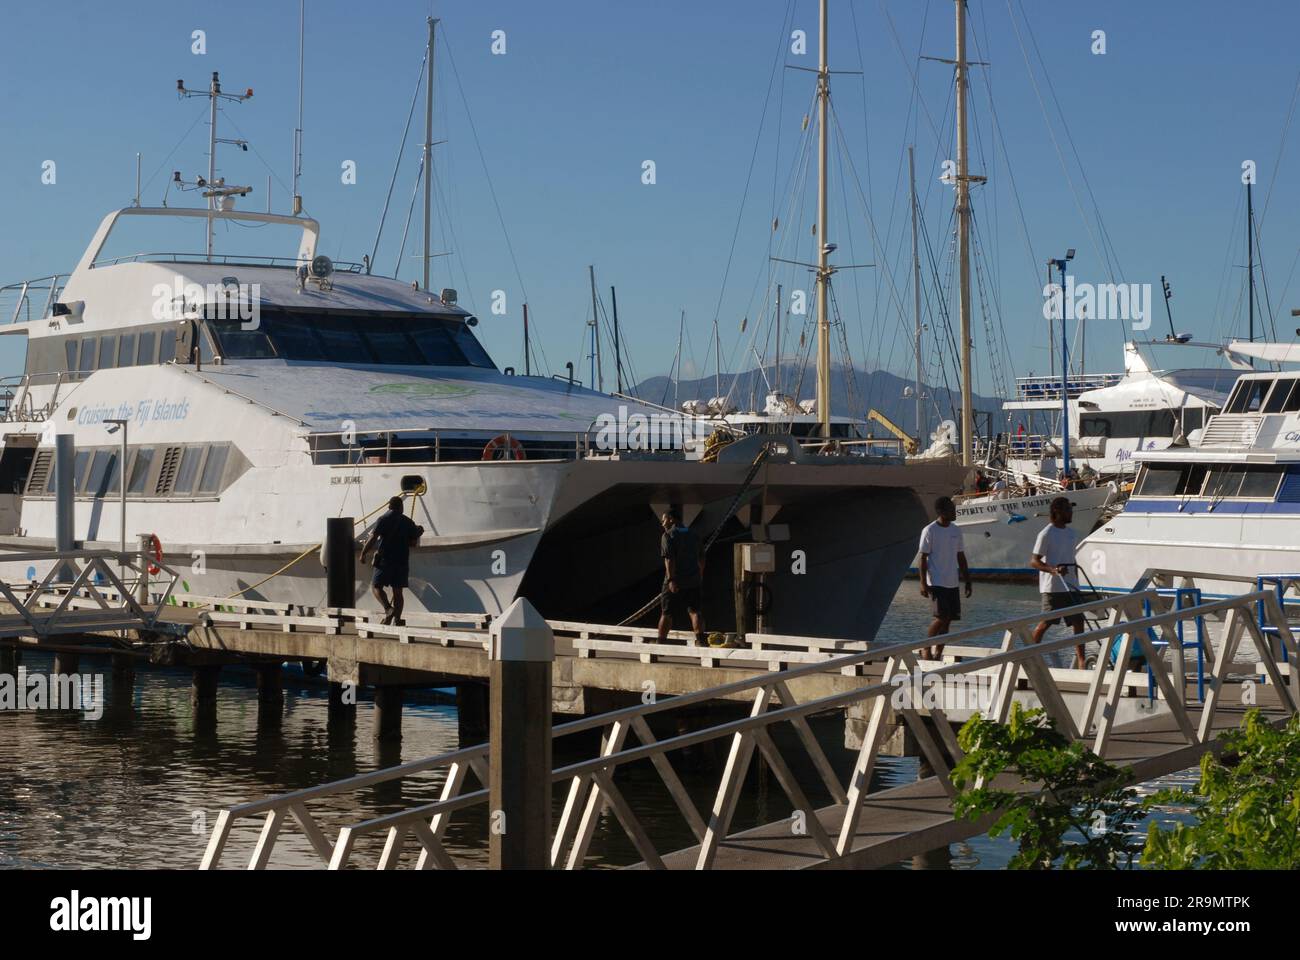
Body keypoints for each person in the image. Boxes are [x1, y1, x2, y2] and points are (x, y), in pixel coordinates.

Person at [1028, 496, 1088, 668]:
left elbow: (1071, 559)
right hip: (1052, 587)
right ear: (1058, 512)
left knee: (1078, 621)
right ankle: (1028, 655)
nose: (1071, 513)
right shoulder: (1046, 533)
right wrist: (1053, 570)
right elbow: (1034, 561)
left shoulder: (1071, 533)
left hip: (1071, 586)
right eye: (1068, 509)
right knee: (1046, 623)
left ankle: (1082, 661)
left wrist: (1078, 583)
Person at [918, 496, 971, 660]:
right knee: (942, 617)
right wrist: (923, 583)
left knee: (948, 621)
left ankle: (938, 652)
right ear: (941, 511)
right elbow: (923, 558)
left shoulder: (956, 530)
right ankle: (925, 647)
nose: (955, 512)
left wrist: (967, 580)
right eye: (951, 509)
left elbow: (960, 556)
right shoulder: (930, 530)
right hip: (936, 581)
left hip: (952, 582)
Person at [360, 496, 425, 626]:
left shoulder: (383, 519)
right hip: (402, 561)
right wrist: (420, 530)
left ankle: (388, 609)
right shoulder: (407, 521)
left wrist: (363, 553)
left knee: (376, 586)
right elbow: (414, 538)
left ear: (389, 506)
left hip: (385, 560)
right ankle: (398, 620)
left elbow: (373, 538)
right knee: (398, 592)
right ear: (401, 507)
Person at [657, 510, 705, 645]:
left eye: (663, 520)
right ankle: (701, 640)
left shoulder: (668, 536)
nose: (662, 523)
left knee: (666, 612)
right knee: (695, 611)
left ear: (671, 519)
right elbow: (701, 557)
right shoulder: (694, 535)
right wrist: (699, 575)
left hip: (675, 581)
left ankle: (660, 642)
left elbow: (669, 560)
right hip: (693, 580)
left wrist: (671, 580)